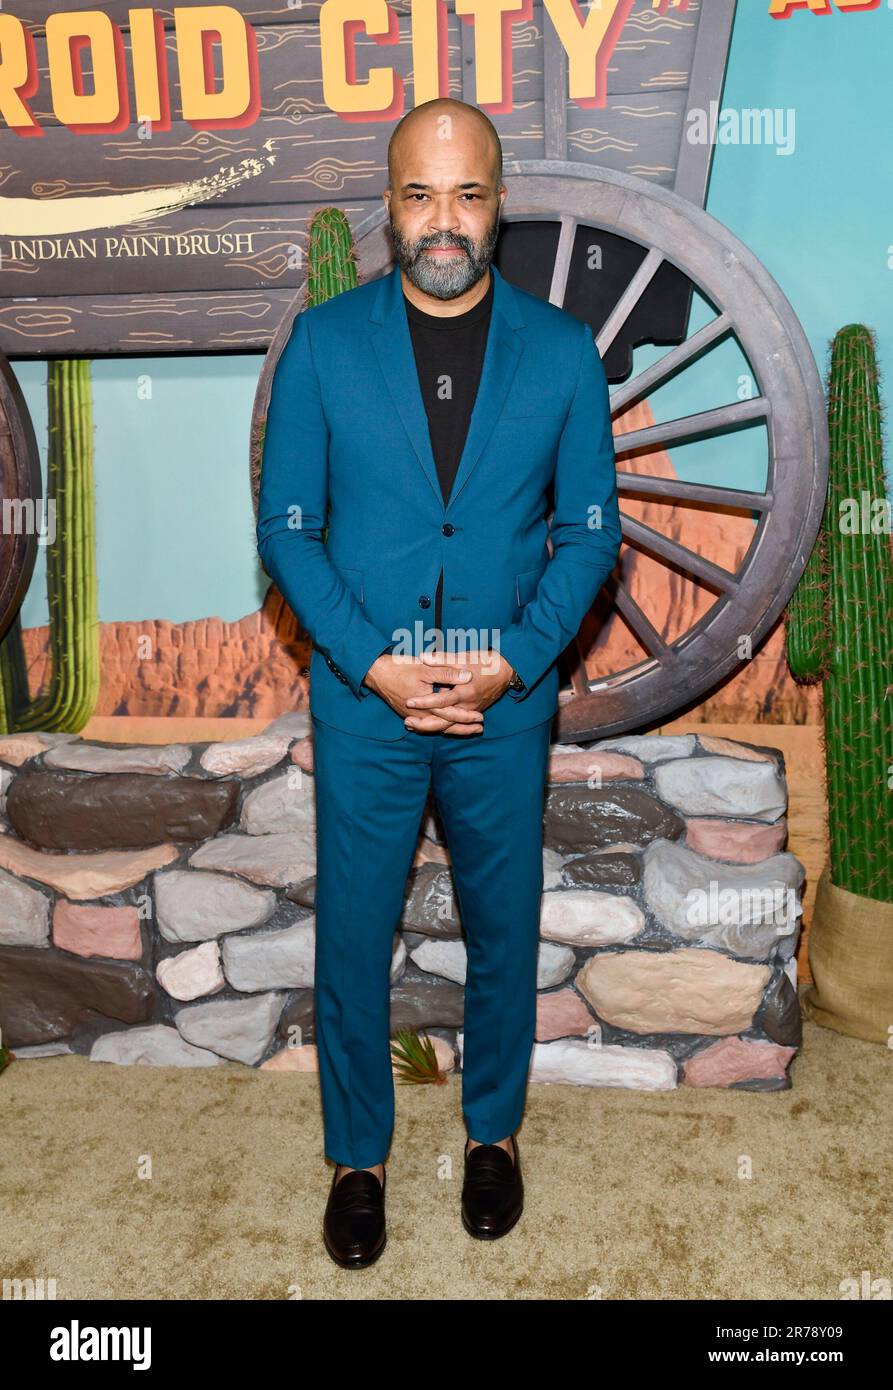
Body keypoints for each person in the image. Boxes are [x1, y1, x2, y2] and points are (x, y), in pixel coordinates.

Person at [256, 97, 621, 1268]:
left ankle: (491, 1139)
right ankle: (356, 1158)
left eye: (467, 194)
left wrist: (514, 654)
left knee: (500, 927)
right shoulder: (321, 345)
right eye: (421, 193)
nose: (443, 219)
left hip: (501, 703)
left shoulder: (563, 354)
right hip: (366, 703)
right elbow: (289, 531)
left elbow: (589, 533)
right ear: (390, 203)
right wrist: (374, 662)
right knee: (352, 935)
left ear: (497, 202)